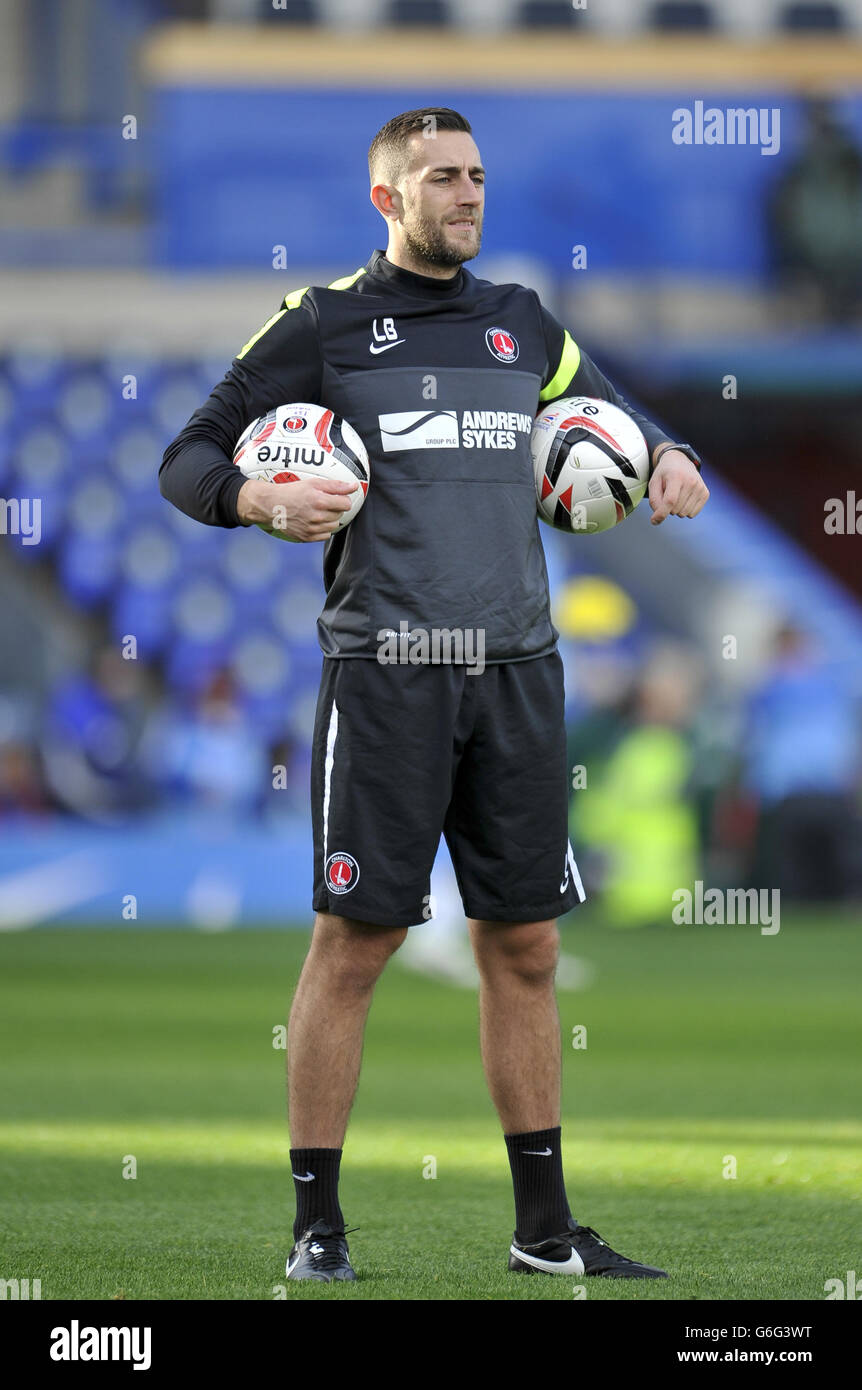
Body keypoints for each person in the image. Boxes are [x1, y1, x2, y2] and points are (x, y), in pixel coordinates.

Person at [159, 106, 708, 1285]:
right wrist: (254, 499)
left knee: (524, 951)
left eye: (476, 176)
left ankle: (545, 1231)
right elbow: (188, 453)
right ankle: (318, 1227)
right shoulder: (324, 326)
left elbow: (618, 414)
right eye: (442, 178)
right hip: (389, 677)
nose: (467, 194)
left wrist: (666, 454)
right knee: (352, 945)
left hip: (519, 672)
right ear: (386, 198)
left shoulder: (522, 323)